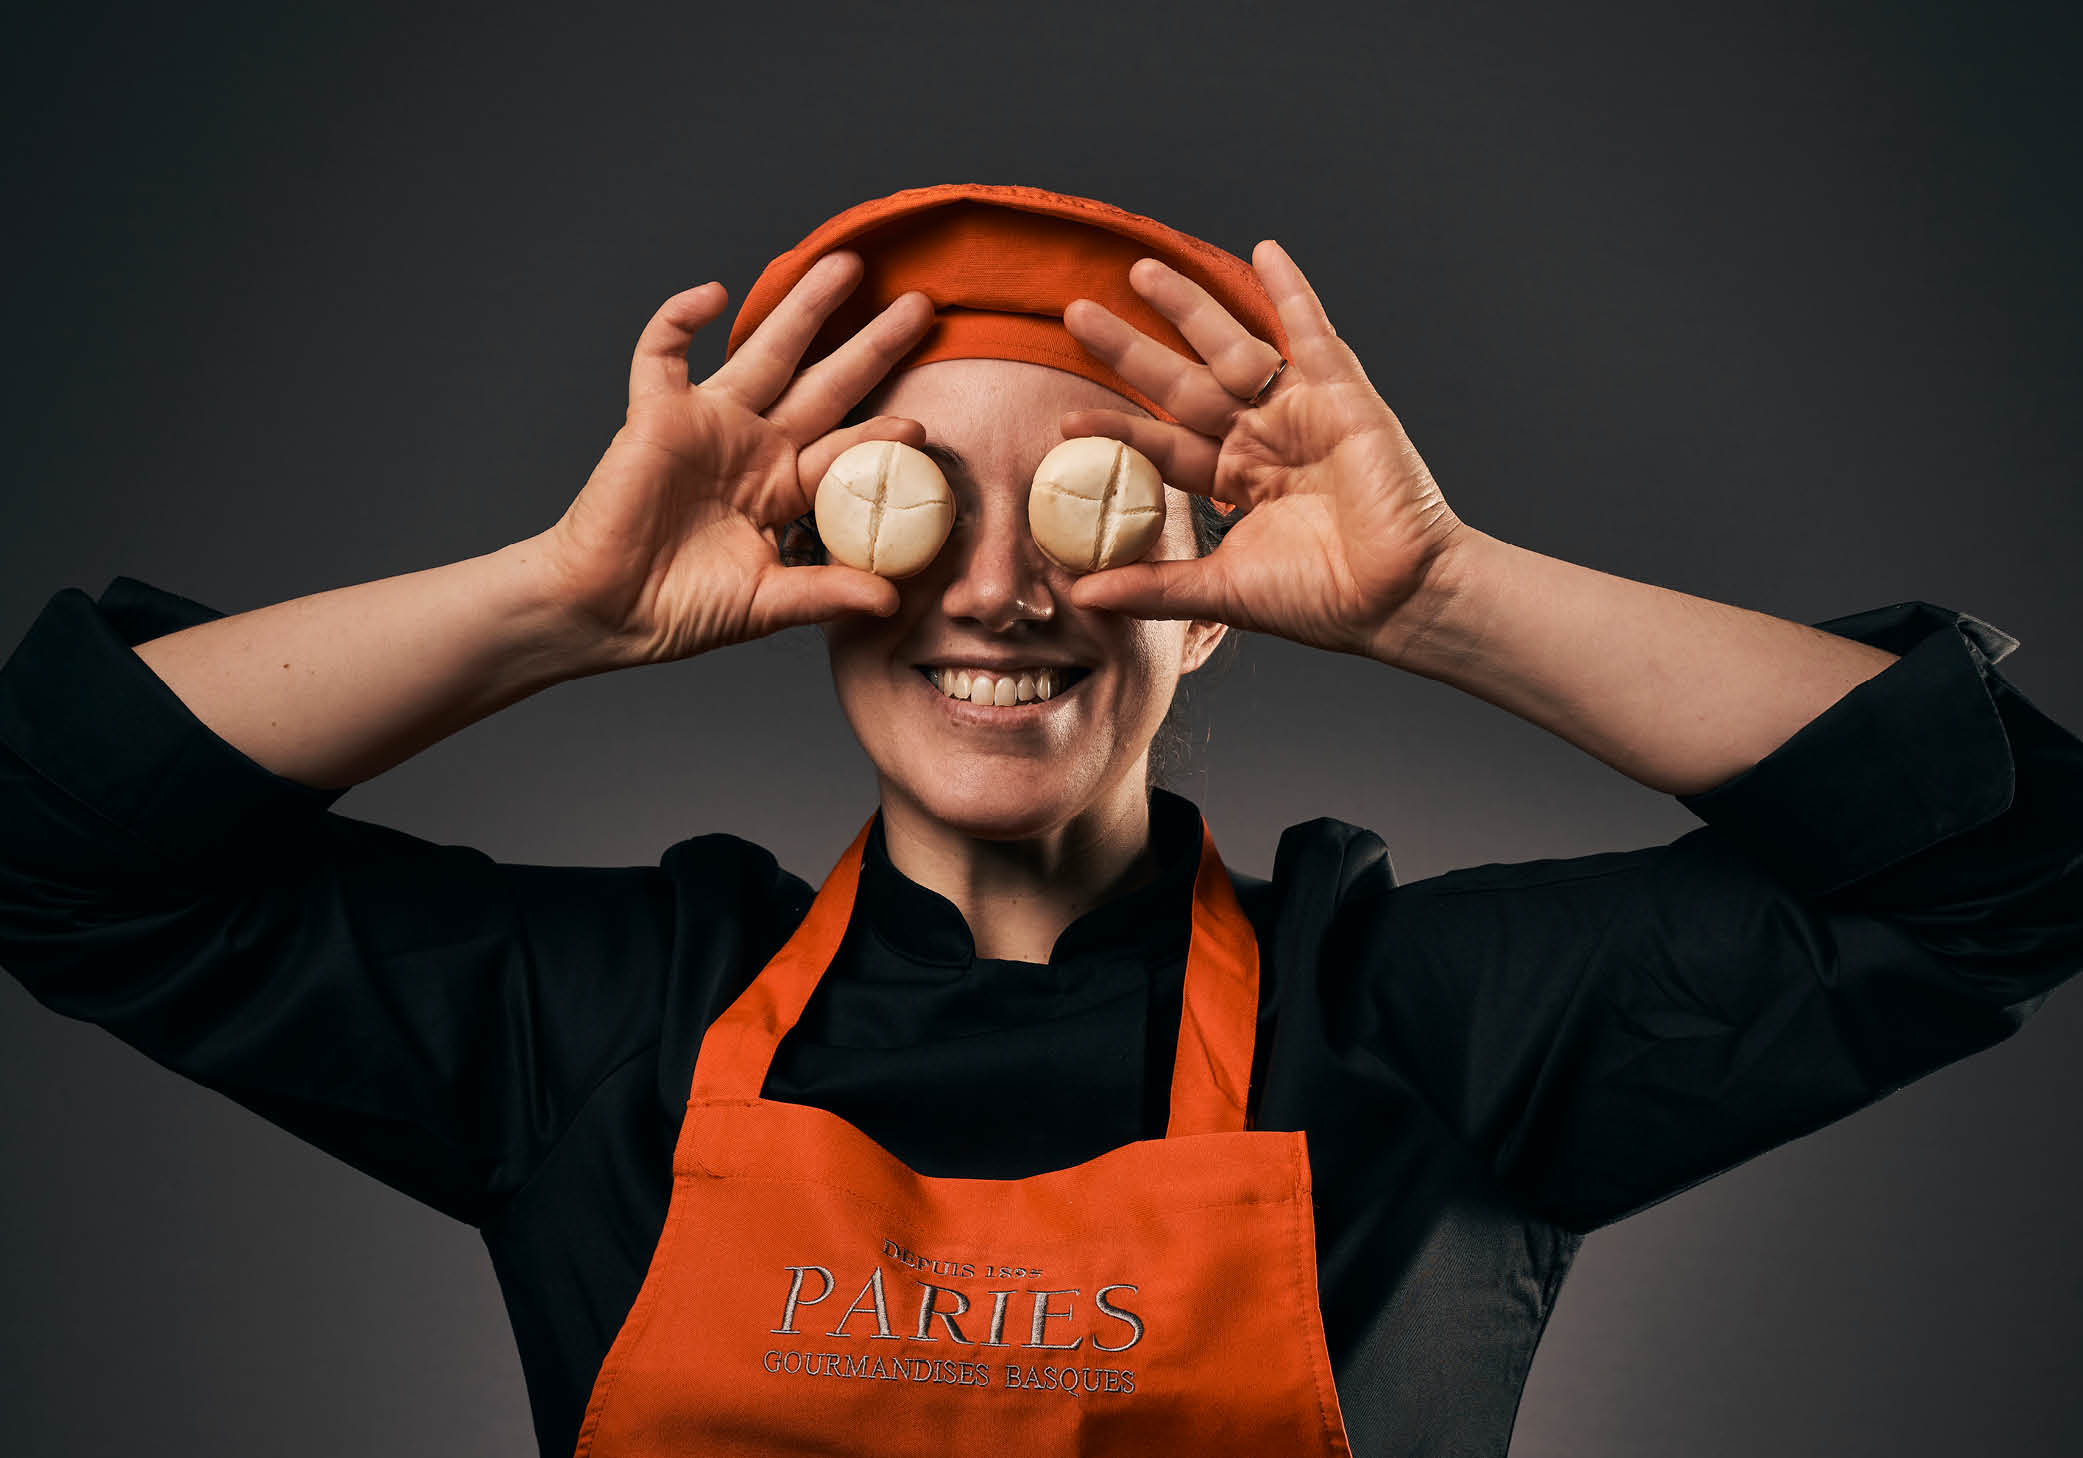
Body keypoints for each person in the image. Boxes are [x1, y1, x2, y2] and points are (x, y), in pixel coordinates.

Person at [1, 182, 2077, 1457]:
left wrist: (1439, 595)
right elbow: (52, 841)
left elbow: (2009, 866)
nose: (997, 589)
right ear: (807, 558)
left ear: (1220, 594)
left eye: (1090, 513)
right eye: (912, 508)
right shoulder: (595, 1033)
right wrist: (561, 600)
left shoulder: (1428, 1037)